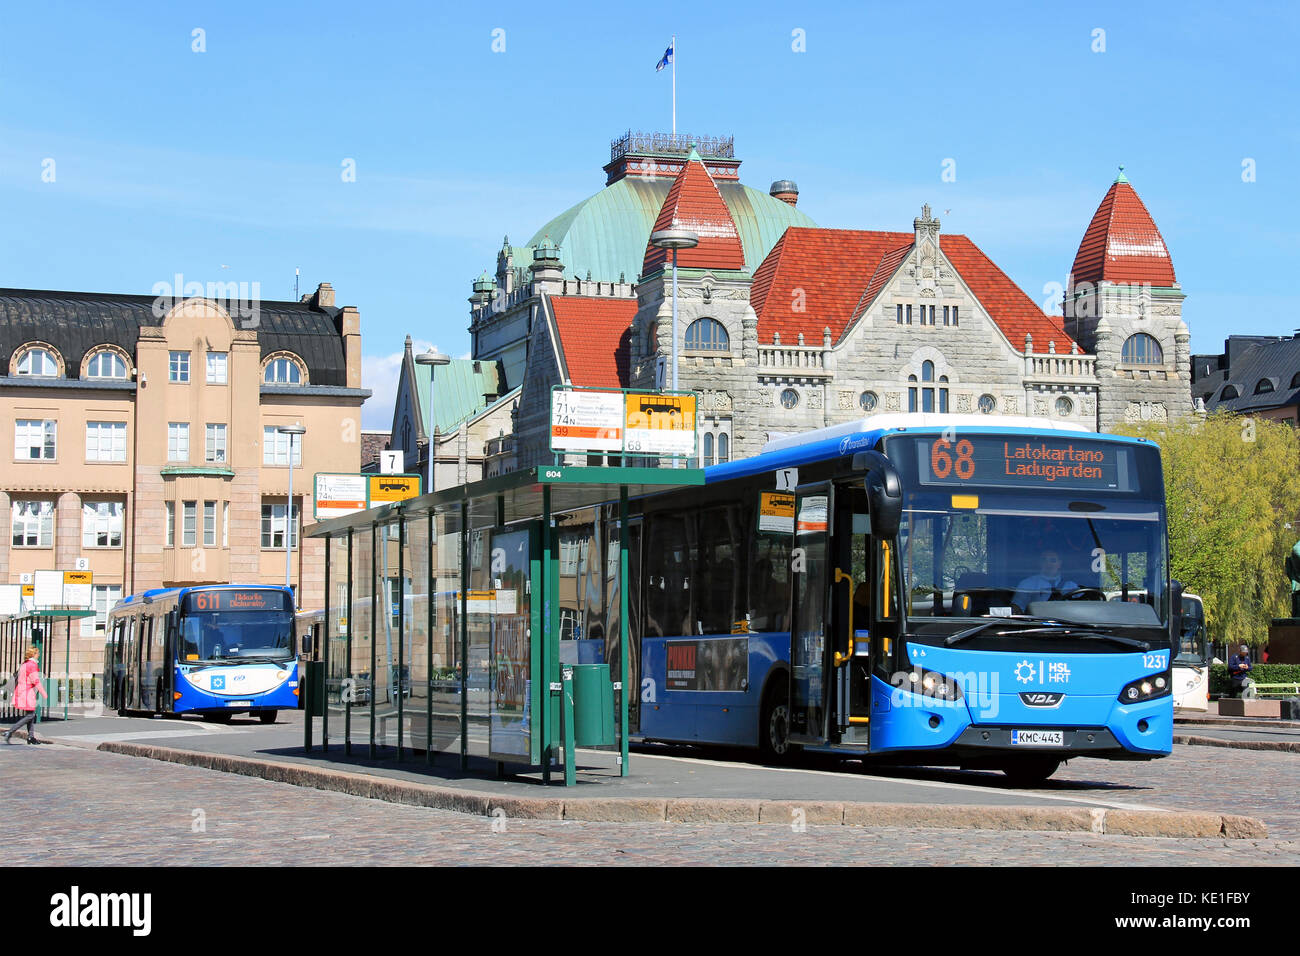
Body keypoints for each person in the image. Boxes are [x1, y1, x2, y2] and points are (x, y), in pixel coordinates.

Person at [5, 646, 49, 745]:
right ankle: (10, 732)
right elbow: (36, 681)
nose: (39, 655)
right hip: (27, 692)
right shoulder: (32, 665)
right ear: (33, 655)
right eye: (37, 654)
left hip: (21, 691)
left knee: (30, 714)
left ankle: (31, 737)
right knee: (30, 715)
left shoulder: (24, 664)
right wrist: (44, 693)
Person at [1012, 550, 1079, 612]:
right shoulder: (1027, 584)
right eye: (1044, 560)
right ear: (1040, 563)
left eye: (1052, 560)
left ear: (1059, 564)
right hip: (1037, 623)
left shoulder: (1071, 586)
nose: (1048, 564)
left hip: (1067, 623)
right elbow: (1017, 608)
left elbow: (1080, 608)